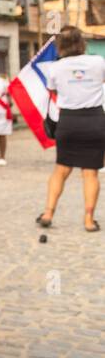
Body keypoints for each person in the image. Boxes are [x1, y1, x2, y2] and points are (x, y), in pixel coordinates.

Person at [37, 26, 105, 232]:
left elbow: (53, 91)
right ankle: (88, 220)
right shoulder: (98, 62)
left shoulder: (55, 68)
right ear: (81, 42)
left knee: (61, 169)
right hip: (94, 119)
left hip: (69, 121)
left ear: (61, 45)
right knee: (90, 172)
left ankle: (48, 213)